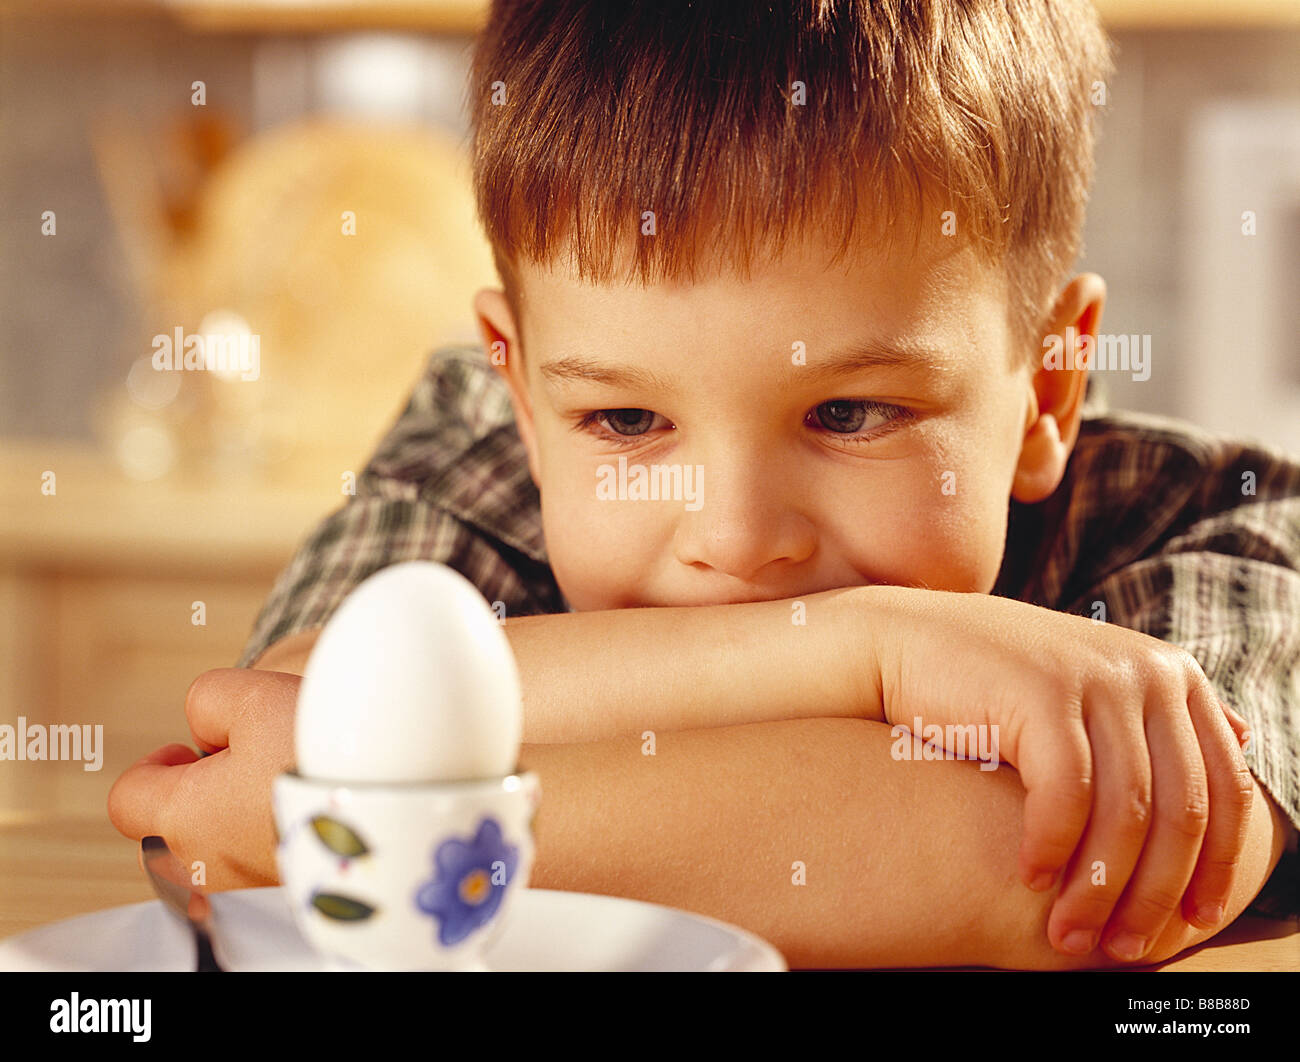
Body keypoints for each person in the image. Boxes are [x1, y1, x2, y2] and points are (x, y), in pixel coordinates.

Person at [109, 0, 1300, 969]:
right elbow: (283, 715)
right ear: (520, 394)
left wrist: (349, 823)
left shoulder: (1219, 526)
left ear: (1044, 389)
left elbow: (1060, 880)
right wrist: (868, 646)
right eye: (626, 420)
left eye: (850, 412)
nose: (735, 540)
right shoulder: (478, 455)